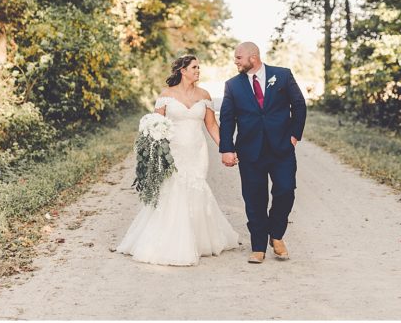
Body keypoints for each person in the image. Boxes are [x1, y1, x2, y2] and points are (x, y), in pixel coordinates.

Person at [116, 54, 240, 266]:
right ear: (182, 71)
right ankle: (172, 242)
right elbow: (155, 124)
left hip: (196, 150)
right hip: (172, 151)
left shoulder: (204, 95)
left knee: (196, 186)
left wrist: (226, 148)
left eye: (199, 67)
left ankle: (199, 240)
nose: (198, 71)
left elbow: (211, 126)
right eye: (194, 67)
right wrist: (155, 148)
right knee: (173, 189)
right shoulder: (167, 95)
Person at [219, 42, 307, 264]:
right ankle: (258, 245)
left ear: (254, 57)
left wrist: (295, 135)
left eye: (239, 57)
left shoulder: (282, 75)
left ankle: (276, 236)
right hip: (250, 151)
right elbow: (228, 119)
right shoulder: (232, 85)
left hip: (282, 148)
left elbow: (299, 105)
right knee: (254, 198)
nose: (235, 61)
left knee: (285, 191)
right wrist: (227, 148)